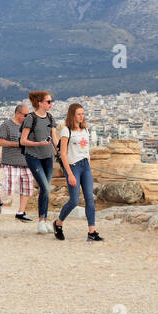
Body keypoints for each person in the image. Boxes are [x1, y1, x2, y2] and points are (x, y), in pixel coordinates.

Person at [52, 103, 103, 241]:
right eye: (78, 114)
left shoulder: (85, 130)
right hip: (73, 167)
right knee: (74, 201)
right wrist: (69, 173)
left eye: (82, 113)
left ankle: (92, 232)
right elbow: (62, 153)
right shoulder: (66, 131)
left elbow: (85, 150)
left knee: (90, 199)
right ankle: (58, 223)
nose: (81, 116)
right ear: (72, 115)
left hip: (85, 166)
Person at [19, 91, 57, 233]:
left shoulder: (50, 118)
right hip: (33, 156)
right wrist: (39, 144)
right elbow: (23, 140)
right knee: (46, 188)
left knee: (45, 189)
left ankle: (43, 220)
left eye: (51, 101)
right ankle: (41, 221)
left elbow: (54, 138)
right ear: (40, 103)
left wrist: (60, 149)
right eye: (48, 101)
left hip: (48, 157)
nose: (51, 104)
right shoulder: (30, 118)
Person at [0, 103, 34, 221]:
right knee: (9, 188)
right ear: (18, 114)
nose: (27, 117)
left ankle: (21, 212)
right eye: (25, 115)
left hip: (26, 161)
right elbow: (1, 142)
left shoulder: (28, 127)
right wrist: (17, 144)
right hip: (10, 161)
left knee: (27, 187)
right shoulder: (6, 125)